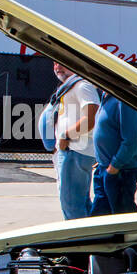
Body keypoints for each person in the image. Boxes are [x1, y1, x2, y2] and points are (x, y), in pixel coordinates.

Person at [44, 62, 99, 220]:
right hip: (70, 150)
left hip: (75, 151)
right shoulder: (70, 86)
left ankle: (80, 242)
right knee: (79, 203)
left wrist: (66, 136)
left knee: (72, 205)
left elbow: (90, 118)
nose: (58, 67)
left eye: (63, 63)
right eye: (54, 63)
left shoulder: (82, 86)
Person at [89, 90, 137, 216]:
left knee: (121, 220)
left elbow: (132, 140)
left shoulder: (124, 99)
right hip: (104, 169)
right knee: (99, 219)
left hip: (121, 172)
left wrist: (114, 166)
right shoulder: (105, 96)